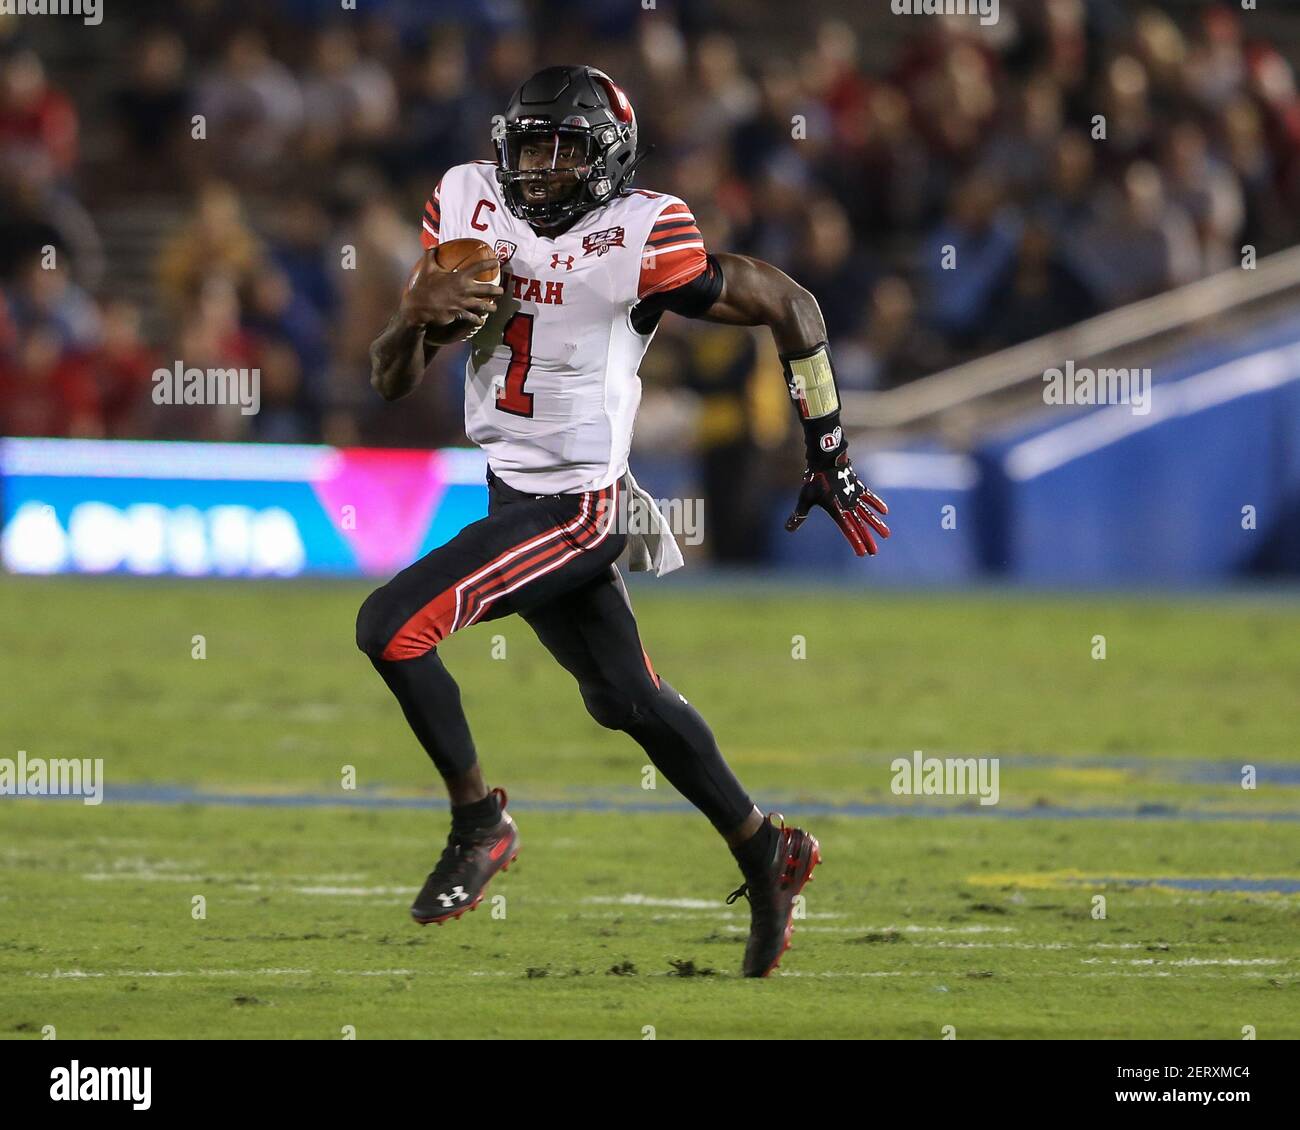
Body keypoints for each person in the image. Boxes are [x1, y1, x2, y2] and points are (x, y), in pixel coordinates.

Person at [358, 66, 890, 977]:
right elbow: (390, 380)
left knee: (393, 628)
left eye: (566, 147)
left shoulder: (641, 233)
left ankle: (480, 823)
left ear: (607, 156)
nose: (543, 167)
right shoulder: (465, 204)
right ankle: (766, 848)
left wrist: (828, 452)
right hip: (508, 492)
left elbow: (794, 307)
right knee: (626, 701)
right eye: (531, 146)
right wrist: (411, 323)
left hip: (577, 507)